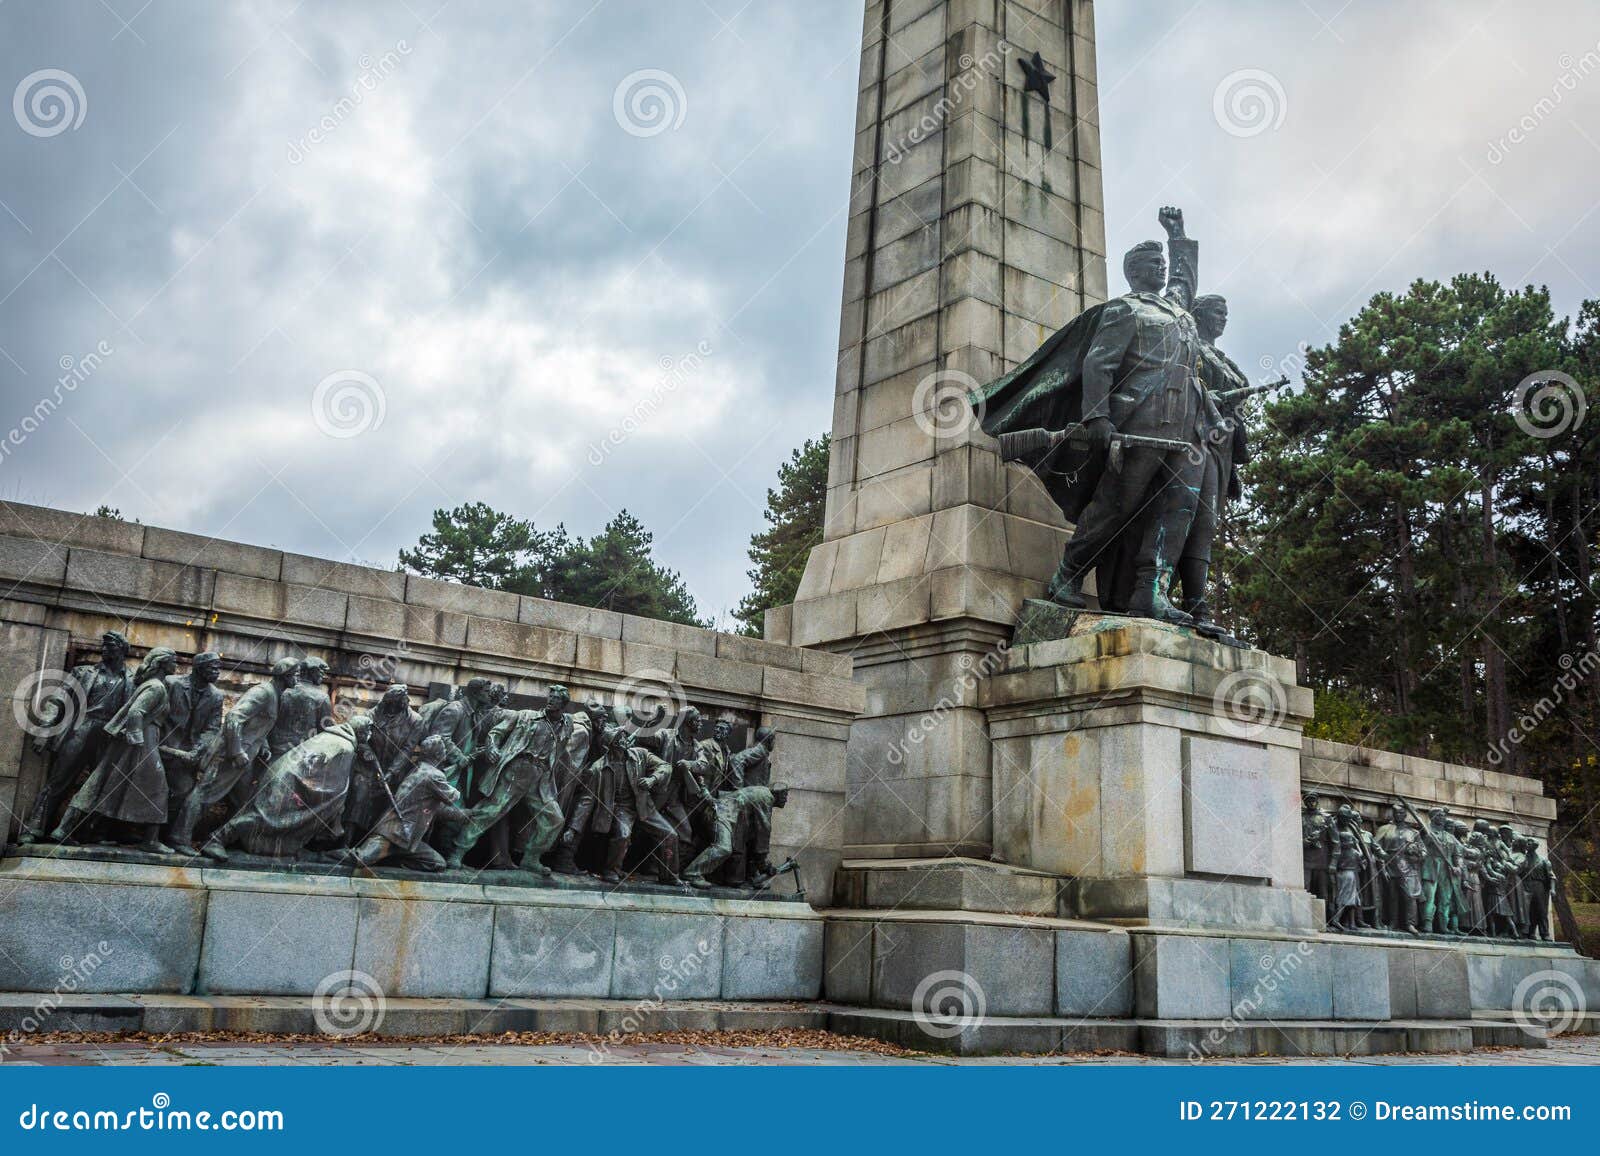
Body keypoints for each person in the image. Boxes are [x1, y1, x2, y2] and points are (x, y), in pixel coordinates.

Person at [970, 207, 1204, 623]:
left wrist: (1178, 236)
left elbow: (1185, 281)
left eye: (1163, 264)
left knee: (1177, 508)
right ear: (1135, 273)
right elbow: (1100, 364)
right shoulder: (1126, 311)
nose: (1163, 269)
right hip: (1140, 425)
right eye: (1154, 264)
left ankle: (1152, 591)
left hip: (1185, 430)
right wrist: (1098, 418)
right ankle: (1068, 574)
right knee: (1115, 506)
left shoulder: (1177, 309)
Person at [50, 648, 179, 853]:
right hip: (142, 743)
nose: (177, 665)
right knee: (159, 788)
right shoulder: (156, 687)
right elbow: (137, 712)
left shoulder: (150, 684)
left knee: (101, 782)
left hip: (135, 741)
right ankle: (150, 840)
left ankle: (63, 829)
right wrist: (136, 739)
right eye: (174, 661)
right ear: (162, 663)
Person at [169, 658, 299, 855]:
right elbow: (234, 718)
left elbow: (256, 724)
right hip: (229, 755)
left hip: (245, 758)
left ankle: (218, 840)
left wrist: (261, 744)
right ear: (286, 675)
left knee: (244, 801)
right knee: (205, 793)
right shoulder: (263, 692)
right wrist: (237, 751)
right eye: (295, 673)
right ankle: (179, 838)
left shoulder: (276, 694)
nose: (298, 677)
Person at [200, 715, 374, 862]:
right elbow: (335, 788)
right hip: (291, 782)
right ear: (362, 731)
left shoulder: (332, 736)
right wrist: (335, 808)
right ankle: (216, 839)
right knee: (264, 817)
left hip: (285, 774)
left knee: (264, 815)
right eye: (369, 731)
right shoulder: (345, 747)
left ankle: (287, 848)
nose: (370, 735)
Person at [445, 685, 572, 875]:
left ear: (563, 703)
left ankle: (531, 858)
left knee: (554, 819)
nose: (551, 700)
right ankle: (457, 851)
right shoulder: (526, 715)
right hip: (517, 770)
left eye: (556, 698)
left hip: (541, 777)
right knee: (490, 811)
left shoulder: (566, 724)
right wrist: (492, 747)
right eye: (550, 696)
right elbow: (496, 733)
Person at [20, 630, 132, 843]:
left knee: (103, 787)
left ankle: (83, 833)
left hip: (110, 736)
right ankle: (34, 828)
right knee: (59, 781)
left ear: (122, 650)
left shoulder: (131, 679)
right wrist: (44, 732)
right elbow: (57, 701)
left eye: (110, 646)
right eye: (104, 645)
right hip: (81, 729)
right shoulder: (82, 672)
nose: (104, 649)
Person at [335, 737, 468, 872]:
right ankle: (319, 857)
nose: (446, 751)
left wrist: (465, 815)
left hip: (408, 840)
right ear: (437, 753)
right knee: (359, 858)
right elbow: (453, 796)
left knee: (436, 863)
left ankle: (388, 861)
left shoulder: (420, 769)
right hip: (393, 833)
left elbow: (435, 808)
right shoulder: (433, 775)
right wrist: (455, 769)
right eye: (444, 748)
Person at [588, 725, 679, 885]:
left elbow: (666, 766)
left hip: (644, 805)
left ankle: (669, 875)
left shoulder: (640, 754)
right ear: (611, 745)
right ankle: (611, 870)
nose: (624, 740)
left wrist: (653, 779)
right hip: (621, 809)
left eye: (623, 736)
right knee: (623, 835)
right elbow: (587, 799)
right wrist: (573, 829)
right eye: (619, 739)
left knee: (670, 835)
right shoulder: (598, 767)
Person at [157, 651, 225, 846]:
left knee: (183, 792)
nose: (217, 672)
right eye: (213, 667)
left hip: (187, 754)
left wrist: (198, 749)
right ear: (199, 667)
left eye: (218, 668)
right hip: (161, 748)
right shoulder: (172, 683)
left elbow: (212, 728)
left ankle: (165, 836)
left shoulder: (216, 696)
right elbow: (156, 713)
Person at [683, 783, 789, 890]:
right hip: (720, 814)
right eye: (785, 795)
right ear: (778, 794)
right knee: (723, 848)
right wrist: (764, 864)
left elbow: (754, 836)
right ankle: (692, 873)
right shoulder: (766, 797)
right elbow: (764, 830)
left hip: (723, 814)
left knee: (738, 845)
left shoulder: (760, 793)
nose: (786, 800)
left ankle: (747, 878)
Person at [266, 657, 332, 761]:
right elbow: (325, 731)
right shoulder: (322, 698)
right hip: (300, 756)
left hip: (273, 749)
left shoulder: (282, 690)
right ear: (312, 671)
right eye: (321, 671)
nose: (323, 675)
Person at [1374, 803, 1420, 933]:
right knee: (1392, 897)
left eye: (1401, 813)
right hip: (1390, 865)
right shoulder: (1385, 829)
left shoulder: (1413, 832)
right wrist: (1382, 865)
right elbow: (1376, 846)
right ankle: (1393, 922)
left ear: (1406, 815)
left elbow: (1423, 852)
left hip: (1408, 867)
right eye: (1396, 813)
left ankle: (1410, 923)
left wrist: (1416, 854)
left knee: (1410, 896)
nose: (1398, 815)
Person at [1302, 794, 1333, 915]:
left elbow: (1335, 842)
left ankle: (1324, 918)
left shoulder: (1326, 817)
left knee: (1323, 890)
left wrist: (1333, 863)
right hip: (1305, 857)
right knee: (1305, 886)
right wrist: (1303, 842)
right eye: (1308, 801)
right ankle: (1304, 916)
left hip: (1322, 857)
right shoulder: (1300, 817)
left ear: (1317, 801)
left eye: (1313, 800)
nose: (1311, 803)